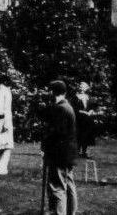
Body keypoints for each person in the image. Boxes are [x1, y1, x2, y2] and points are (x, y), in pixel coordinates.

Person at [41, 80, 79, 215]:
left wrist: (45, 149)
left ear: (53, 92)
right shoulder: (68, 106)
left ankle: (60, 212)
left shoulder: (60, 109)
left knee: (57, 186)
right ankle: (71, 212)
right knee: (69, 184)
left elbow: (56, 134)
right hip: (68, 154)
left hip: (59, 154)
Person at [72, 81, 97, 158]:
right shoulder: (75, 97)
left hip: (87, 120)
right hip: (79, 119)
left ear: (86, 88)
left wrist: (91, 111)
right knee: (79, 135)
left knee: (86, 135)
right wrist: (85, 113)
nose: (82, 88)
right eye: (81, 86)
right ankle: (78, 152)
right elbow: (75, 109)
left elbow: (92, 107)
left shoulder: (88, 97)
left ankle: (84, 152)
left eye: (84, 86)